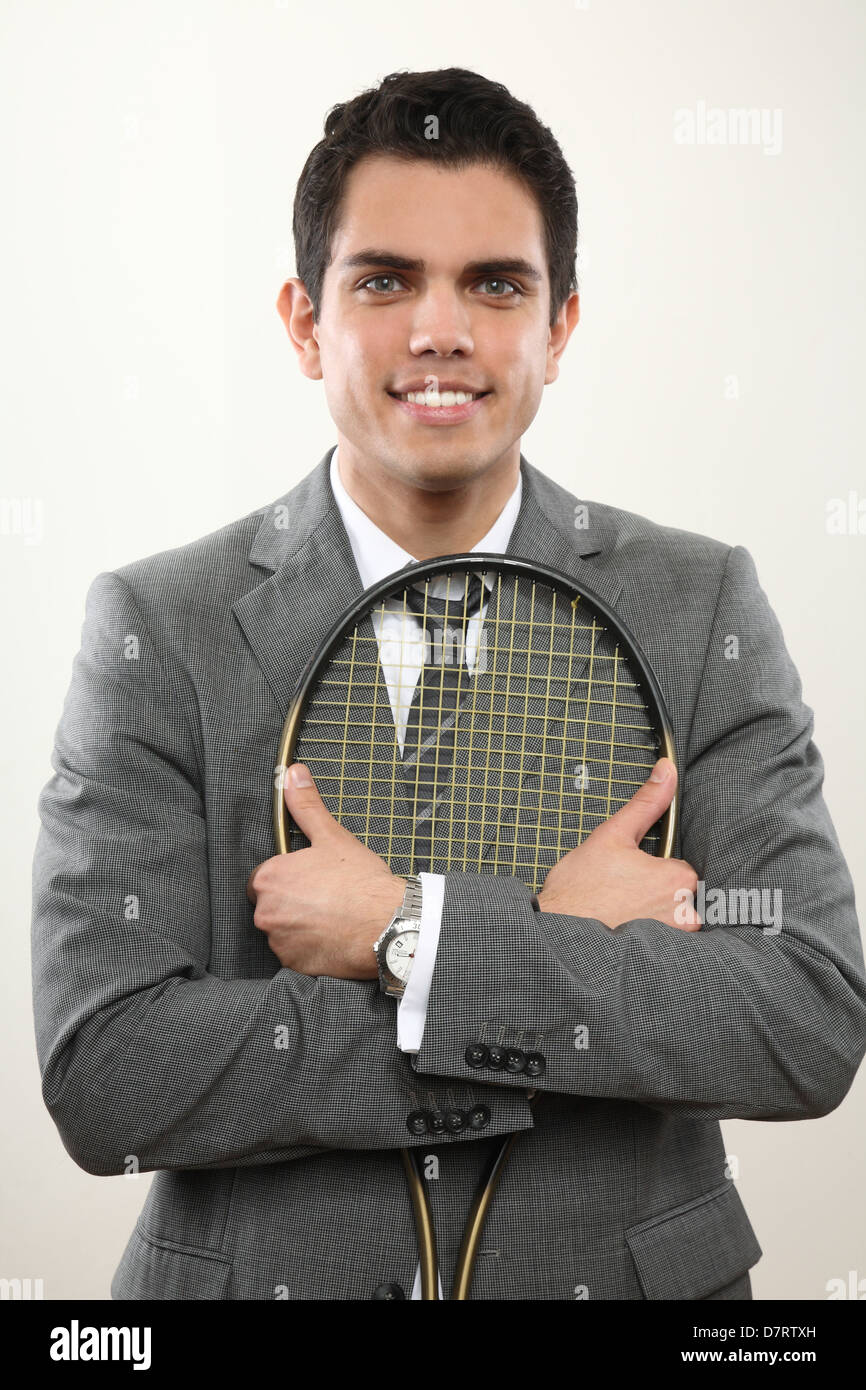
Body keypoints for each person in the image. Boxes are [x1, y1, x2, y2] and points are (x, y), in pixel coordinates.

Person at [31, 67, 866, 1301]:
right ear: (305, 322)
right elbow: (109, 1071)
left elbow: (801, 1009)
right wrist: (542, 957)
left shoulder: (700, 607)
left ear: (559, 326)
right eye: (384, 280)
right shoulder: (158, 624)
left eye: (494, 284)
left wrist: (403, 936)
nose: (442, 331)